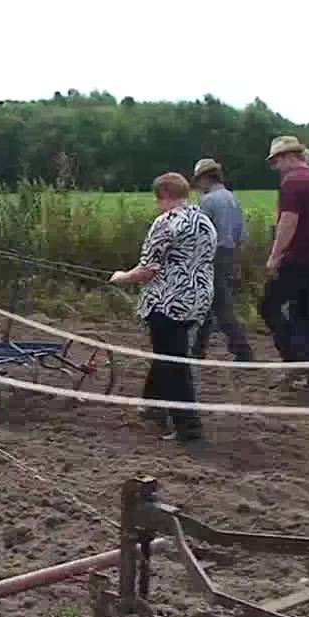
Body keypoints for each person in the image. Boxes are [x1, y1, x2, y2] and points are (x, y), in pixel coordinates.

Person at [110, 172, 217, 442]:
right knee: (167, 354)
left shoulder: (166, 222)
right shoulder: (204, 220)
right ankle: (152, 406)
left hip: (168, 302)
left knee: (173, 363)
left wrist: (121, 278)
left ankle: (188, 427)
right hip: (198, 299)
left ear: (164, 195)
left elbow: (147, 270)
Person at [257, 135, 309, 388]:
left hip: (298, 259)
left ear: (289, 156)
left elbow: (288, 221)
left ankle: (294, 357)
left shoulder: (292, 181)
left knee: (269, 305)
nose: (274, 167)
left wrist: (275, 255)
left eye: (276, 161)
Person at [189, 158, 254, 362]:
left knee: (220, 305)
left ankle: (242, 349)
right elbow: (242, 234)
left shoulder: (208, 201)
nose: (198, 186)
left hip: (213, 255)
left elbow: (200, 233)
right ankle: (198, 348)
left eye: (199, 181)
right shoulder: (232, 198)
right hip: (230, 253)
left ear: (205, 178)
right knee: (207, 303)